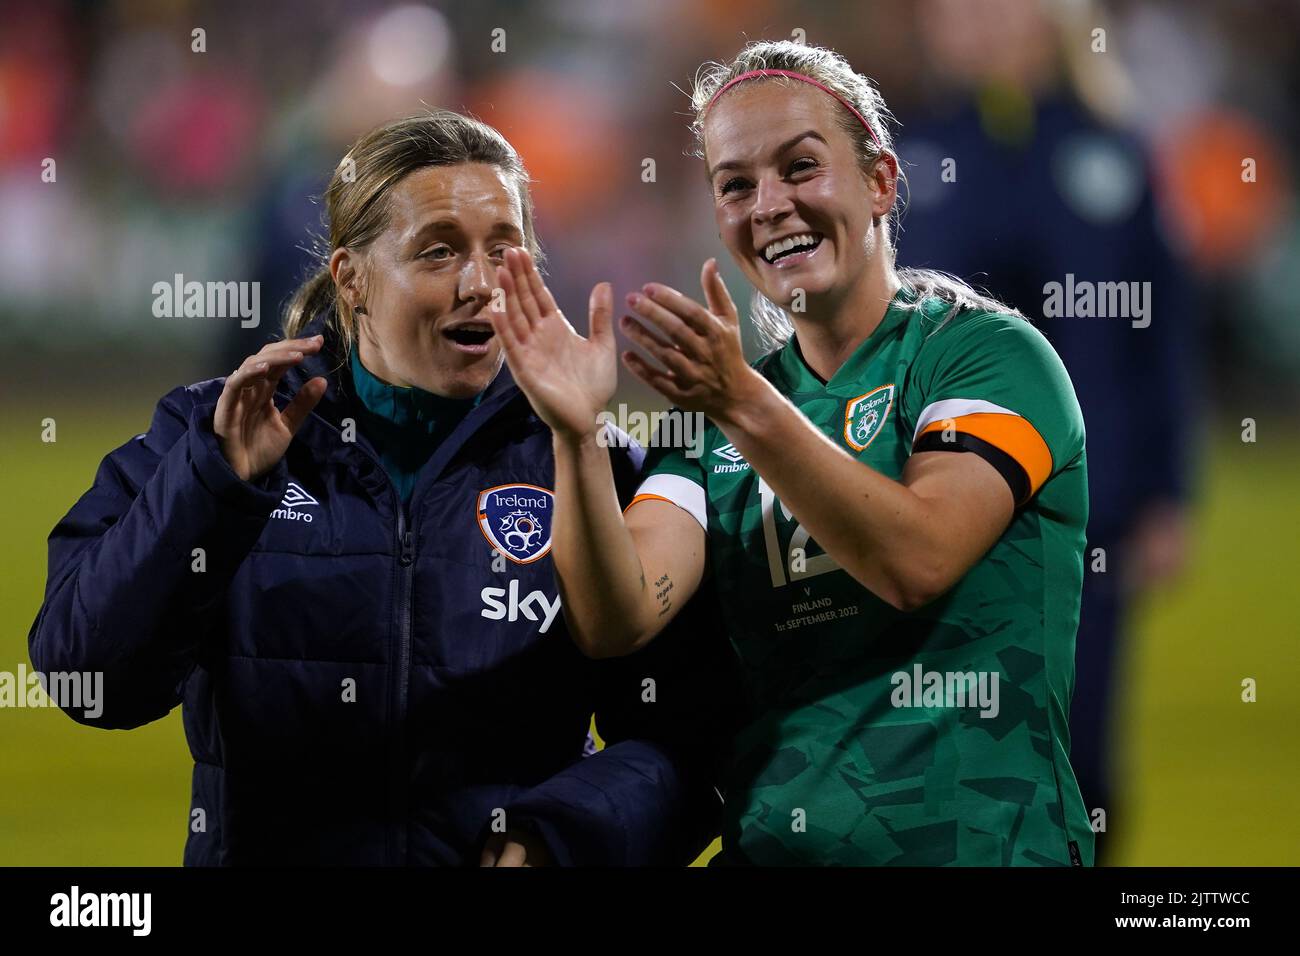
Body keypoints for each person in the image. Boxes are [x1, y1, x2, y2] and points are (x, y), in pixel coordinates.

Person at [27, 109, 728, 867]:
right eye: (437, 252)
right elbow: (88, 679)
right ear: (351, 278)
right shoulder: (216, 434)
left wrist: (553, 838)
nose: (480, 284)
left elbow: (690, 737)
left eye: (505, 250)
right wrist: (217, 488)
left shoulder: (595, 464)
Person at [491, 40, 1094, 865]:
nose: (769, 204)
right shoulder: (717, 420)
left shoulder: (987, 358)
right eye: (736, 184)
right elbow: (616, 614)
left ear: (880, 181)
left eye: (801, 167)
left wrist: (742, 402)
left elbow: (916, 558)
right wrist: (576, 435)